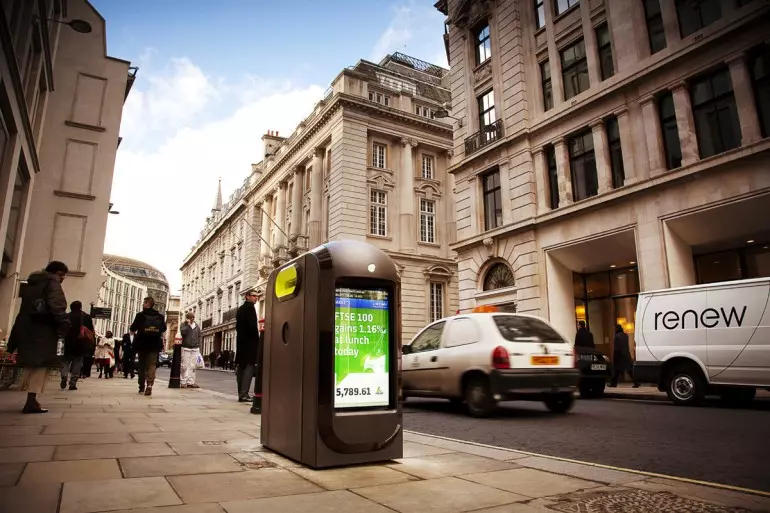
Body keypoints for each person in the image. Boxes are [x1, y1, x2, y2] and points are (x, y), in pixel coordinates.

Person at [8, 261, 71, 413]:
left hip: (26, 329)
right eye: (62, 275)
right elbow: (57, 307)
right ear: (55, 273)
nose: (62, 279)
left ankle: (32, 399)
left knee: (31, 365)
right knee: (41, 366)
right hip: (43, 330)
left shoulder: (32, 284)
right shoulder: (52, 284)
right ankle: (31, 401)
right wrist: (65, 325)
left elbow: (23, 310)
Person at [130, 297, 166, 396]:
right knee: (152, 364)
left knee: (141, 365)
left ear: (147, 304)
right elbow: (164, 328)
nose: (143, 304)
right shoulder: (160, 316)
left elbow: (133, 328)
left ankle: (141, 386)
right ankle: (149, 385)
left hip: (142, 343)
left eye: (144, 303)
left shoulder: (140, 315)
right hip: (154, 344)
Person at [60, 301, 94, 391]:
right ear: (80, 307)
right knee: (77, 363)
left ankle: (64, 375)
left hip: (67, 343)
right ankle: (73, 383)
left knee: (65, 361)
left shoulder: (66, 316)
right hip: (80, 343)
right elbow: (91, 331)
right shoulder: (86, 317)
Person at [235, 290, 259, 402]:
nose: (256, 298)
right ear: (247, 296)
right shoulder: (250, 308)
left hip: (240, 343)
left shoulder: (240, 309)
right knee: (249, 368)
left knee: (241, 368)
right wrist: (258, 341)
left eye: (257, 296)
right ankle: (244, 394)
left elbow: (237, 327)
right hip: (249, 343)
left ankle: (241, 393)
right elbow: (253, 326)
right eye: (254, 296)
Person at [609, 324, 640, 388]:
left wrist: (614, 358)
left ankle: (613, 384)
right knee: (630, 371)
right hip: (626, 355)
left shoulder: (617, 336)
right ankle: (636, 383)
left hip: (620, 356)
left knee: (616, 371)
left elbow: (616, 348)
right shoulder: (625, 335)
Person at [179, 312, 201, 389]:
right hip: (186, 347)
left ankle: (191, 382)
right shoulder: (183, 325)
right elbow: (183, 332)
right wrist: (188, 325)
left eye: (193, 318)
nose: (192, 319)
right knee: (184, 366)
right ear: (187, 318)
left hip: (195, 348)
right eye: (190, 318)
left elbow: (199, 336)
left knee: (193, 366)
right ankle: (183, 382)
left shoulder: (196, 326)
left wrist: (198, 346)